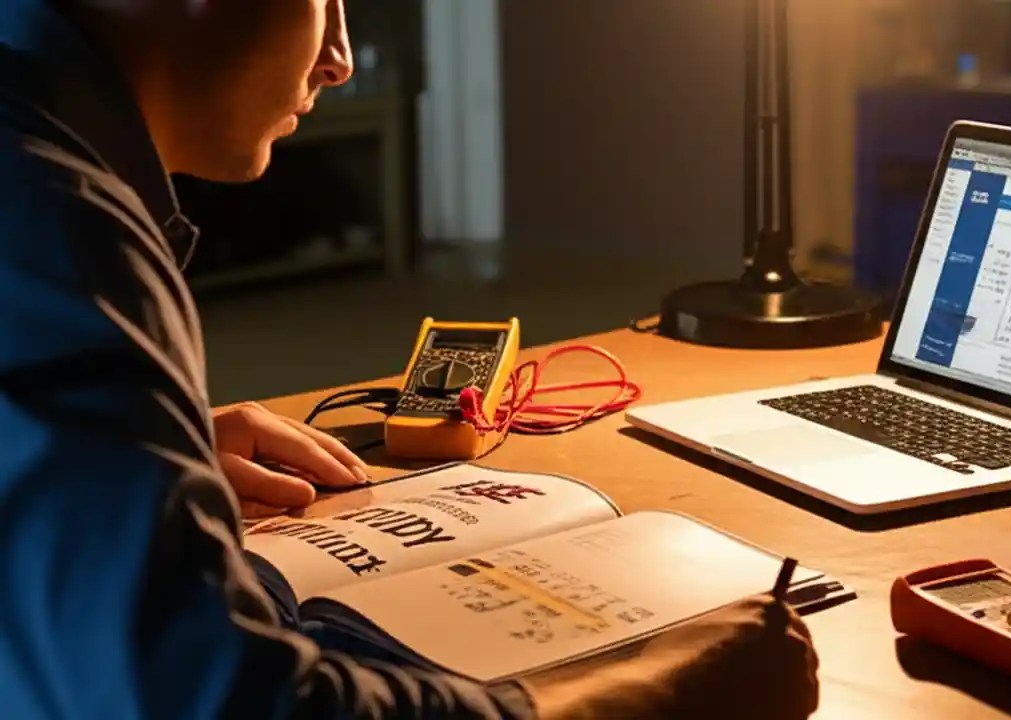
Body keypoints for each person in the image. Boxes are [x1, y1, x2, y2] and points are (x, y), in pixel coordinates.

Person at [0, 1, 820, 718]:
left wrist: (113, 458)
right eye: (327, 0)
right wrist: (644, 697)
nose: (340, 59)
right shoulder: (58, 226)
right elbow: (207, 704)